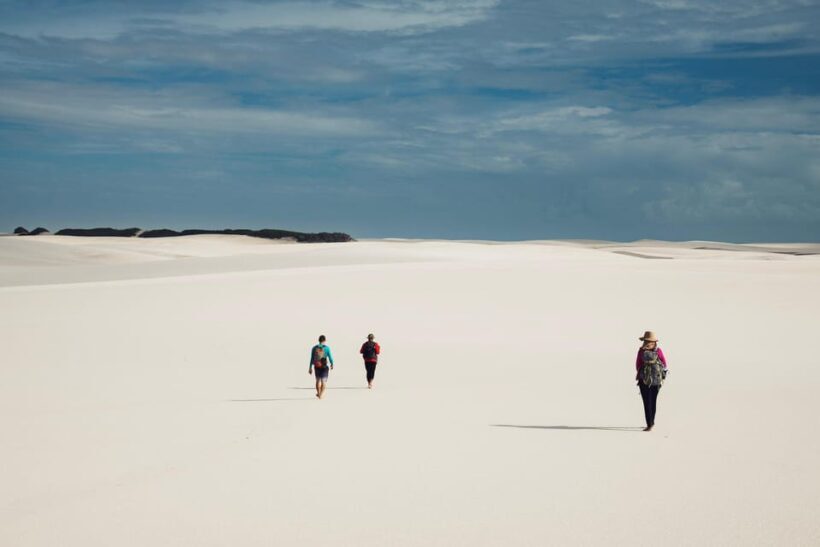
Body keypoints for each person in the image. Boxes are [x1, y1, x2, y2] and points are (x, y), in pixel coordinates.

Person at [635, 331, 668, 431]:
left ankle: (649, 424)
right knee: (653, 401)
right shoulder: (658, 351)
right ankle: (652, 422)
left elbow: (638, 365)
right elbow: (665, 364)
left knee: (646, 402)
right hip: (656, 380)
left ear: (644, 340)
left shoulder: (641, 351)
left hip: (644, 380)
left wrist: (642, 375)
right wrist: (662, 376)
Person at [309, 335, 334, 399]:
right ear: (324, 340)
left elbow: (312, 358)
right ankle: (320, 394)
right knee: (323, 381)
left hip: (317, 366)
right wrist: (332, 364)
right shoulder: (327, 348)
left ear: (319, 340)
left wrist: (310, 367)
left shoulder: (314, 348)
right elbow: (330, 357)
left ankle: (318, 393)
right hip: (324, 367)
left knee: (317, 380)